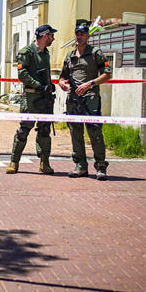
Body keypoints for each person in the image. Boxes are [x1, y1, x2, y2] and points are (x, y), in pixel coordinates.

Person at [58, 19, 112, 180]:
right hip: (73, 99)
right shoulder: (70, 56)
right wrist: (62, 83)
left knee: (95, 133)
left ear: (88, 36)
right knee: (76, 133)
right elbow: (62, 76)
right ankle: (80, 166)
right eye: (77, 34)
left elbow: (107, 74)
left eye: (82, 34)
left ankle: (101, 166)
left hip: (90, 98)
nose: (79, 36)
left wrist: (90, 83)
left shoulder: (95, 53)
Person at [7, 24, 57, 175]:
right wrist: (38, 85)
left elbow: (45, 74)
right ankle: (14, 162)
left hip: (45, 98)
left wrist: (49, 85)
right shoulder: (26, 52)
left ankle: (44, 162)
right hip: (31, 98)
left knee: (44, 131)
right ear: (44, 35)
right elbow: (22, 74)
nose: (53, 38)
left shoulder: (46, 53)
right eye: (51, 36)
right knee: (23, 131)